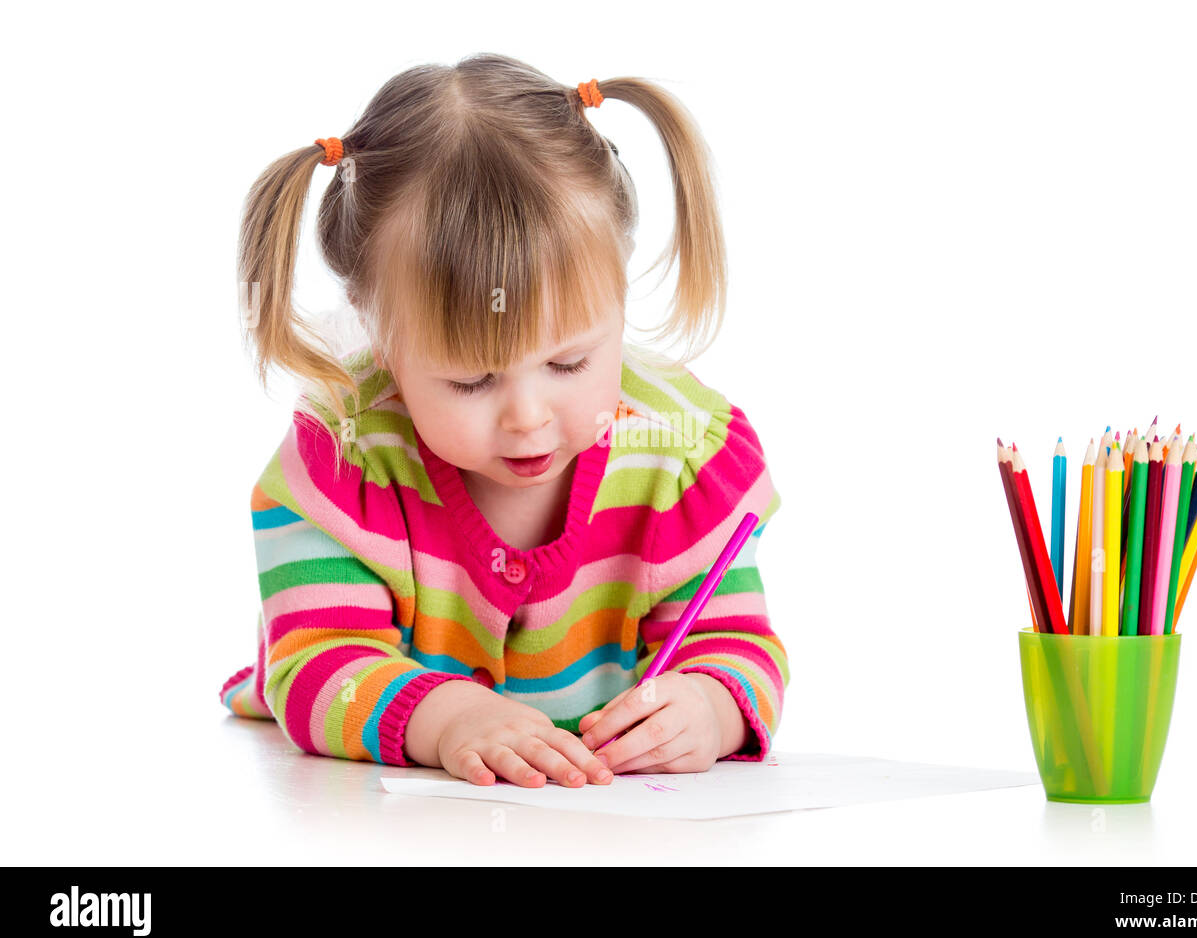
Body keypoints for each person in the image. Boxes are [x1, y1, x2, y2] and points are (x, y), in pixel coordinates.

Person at [219, 53, 786, 788]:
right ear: (378, 331)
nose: (527, 417)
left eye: (569, 363)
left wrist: (711, 707)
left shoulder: (680, 454)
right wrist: (447, 718)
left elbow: (739, 644)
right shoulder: (343, 458)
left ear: (619, 296)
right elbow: (316, 664)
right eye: (471, 380)